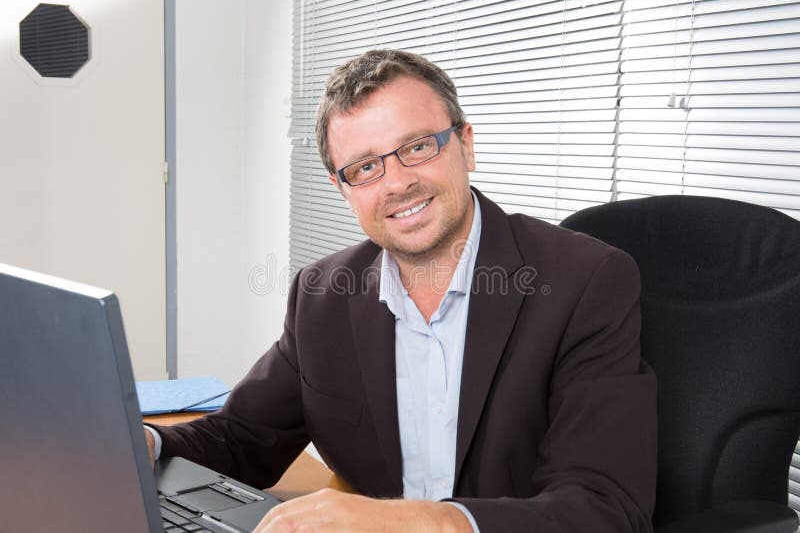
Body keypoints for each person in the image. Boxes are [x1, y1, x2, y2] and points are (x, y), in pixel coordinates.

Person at [145, 49, 657, 532]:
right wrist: (138, 442)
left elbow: (604, 507)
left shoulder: (585, 281)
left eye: (416, 147)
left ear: (466, 144)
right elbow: (243, 438)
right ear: (341, 188)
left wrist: (419, 522)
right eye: (365, 167)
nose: (396, 183)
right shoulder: (322, 295)